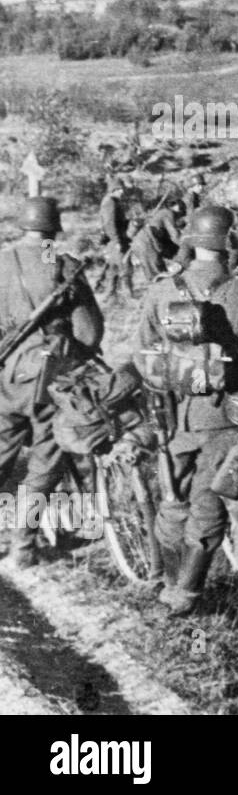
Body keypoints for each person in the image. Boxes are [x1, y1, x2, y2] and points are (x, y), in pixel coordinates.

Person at [138, 206, 238, 613]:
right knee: (209, 501)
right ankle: (186, 593)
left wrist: (170, 377)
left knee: (174, 497)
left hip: (173, 415)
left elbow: (142, 356)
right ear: (230, 243)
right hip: (225, 415)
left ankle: (169, 578)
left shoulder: (162, 290)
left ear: (190, 240)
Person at [0, 198, 104, 566]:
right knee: (45, 462)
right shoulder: (64, 266)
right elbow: (89, 334)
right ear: (54, 228)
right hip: (51, 379)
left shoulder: (3, 261)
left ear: (21, 225)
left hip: (7, 376)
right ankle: (23, 548)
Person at [93, 177, 135, 300]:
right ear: (113, 190)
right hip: (115, 240)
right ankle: (129, 296)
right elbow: (109, 224)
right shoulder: (110, 202)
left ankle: (109, 295)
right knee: (125, 267)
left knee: (113, 268)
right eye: (119, 189)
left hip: (113, 240)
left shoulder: (112, 201)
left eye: (122, 189)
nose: (122, 192)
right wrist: (117, 241)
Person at [131, 189, 187, 278]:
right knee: (157, 274)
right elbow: (174, 235)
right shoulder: (168, 213)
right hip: (147, 240)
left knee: (155, 273)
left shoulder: (162, 212)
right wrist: (185, 246)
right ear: (176, 206)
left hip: (142, 241)